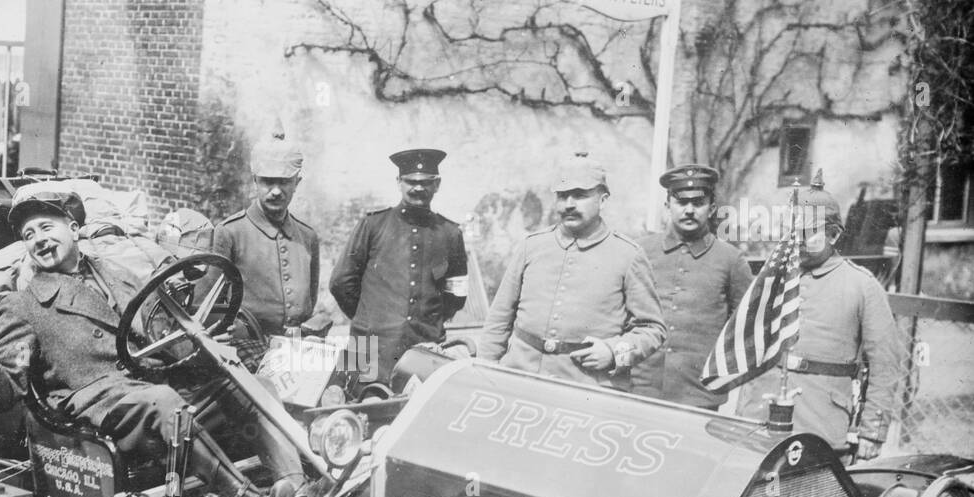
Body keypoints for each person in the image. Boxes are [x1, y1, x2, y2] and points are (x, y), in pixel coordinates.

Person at [0, 188, 310, 497]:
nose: (39, 241)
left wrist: (202, 347)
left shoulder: (117, 273)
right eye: (29, 235)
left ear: (74, 230)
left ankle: (295, 493)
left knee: (253, 386)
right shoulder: (23, 304)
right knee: (165, 403)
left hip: (150, 387)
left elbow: (162, 335)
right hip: (97, 406)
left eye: (47, 228)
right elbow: (8, 381)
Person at [736, 184, 903, 458]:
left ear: (834, 235)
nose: (796, 240)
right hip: (758, 418)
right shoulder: (769, 279)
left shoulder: (861, 286)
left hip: (820, 424)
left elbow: (885, 365)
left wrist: (872, 432)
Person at [478, 153, 665, 389]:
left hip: (587, 388)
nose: (569, 204)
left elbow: (652, 330)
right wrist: (484, 372)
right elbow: (499, 319)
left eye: (580, 195)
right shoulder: (531, 246)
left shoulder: (628, 255)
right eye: (563, 196)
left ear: (603, 200)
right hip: (519, 378)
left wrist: (613, 352)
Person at [329, 148, 468, 382]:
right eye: (411, 181)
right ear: (399, 182)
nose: (418, 188)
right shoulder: (373, 224)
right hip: (366, 344)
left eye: (426, 182)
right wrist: (368, 319)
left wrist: (429, 322)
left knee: (420, 409)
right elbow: (340, 282)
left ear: (437, 185)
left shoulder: (450, 233)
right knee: (352, 406)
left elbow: (457, 293)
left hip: (425, 347)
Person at [631, 164, 753, 409]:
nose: (689, 210)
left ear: (712, 208)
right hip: (641, 387)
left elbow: (745, 326)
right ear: (667, 207)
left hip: (699, 394)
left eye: (698, 203)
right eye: (681, 202)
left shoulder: (731, 260)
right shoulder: (640, 251)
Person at [201, 130, 328, 337]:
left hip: (295, 349)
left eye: (285, 182)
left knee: (354, 363)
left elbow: (310, 300)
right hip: (244, 350)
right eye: (268, 181)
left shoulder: (307, 237)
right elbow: (205, 305)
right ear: (255, 181)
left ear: (297, 183)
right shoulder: (230, 232)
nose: (276, 191)